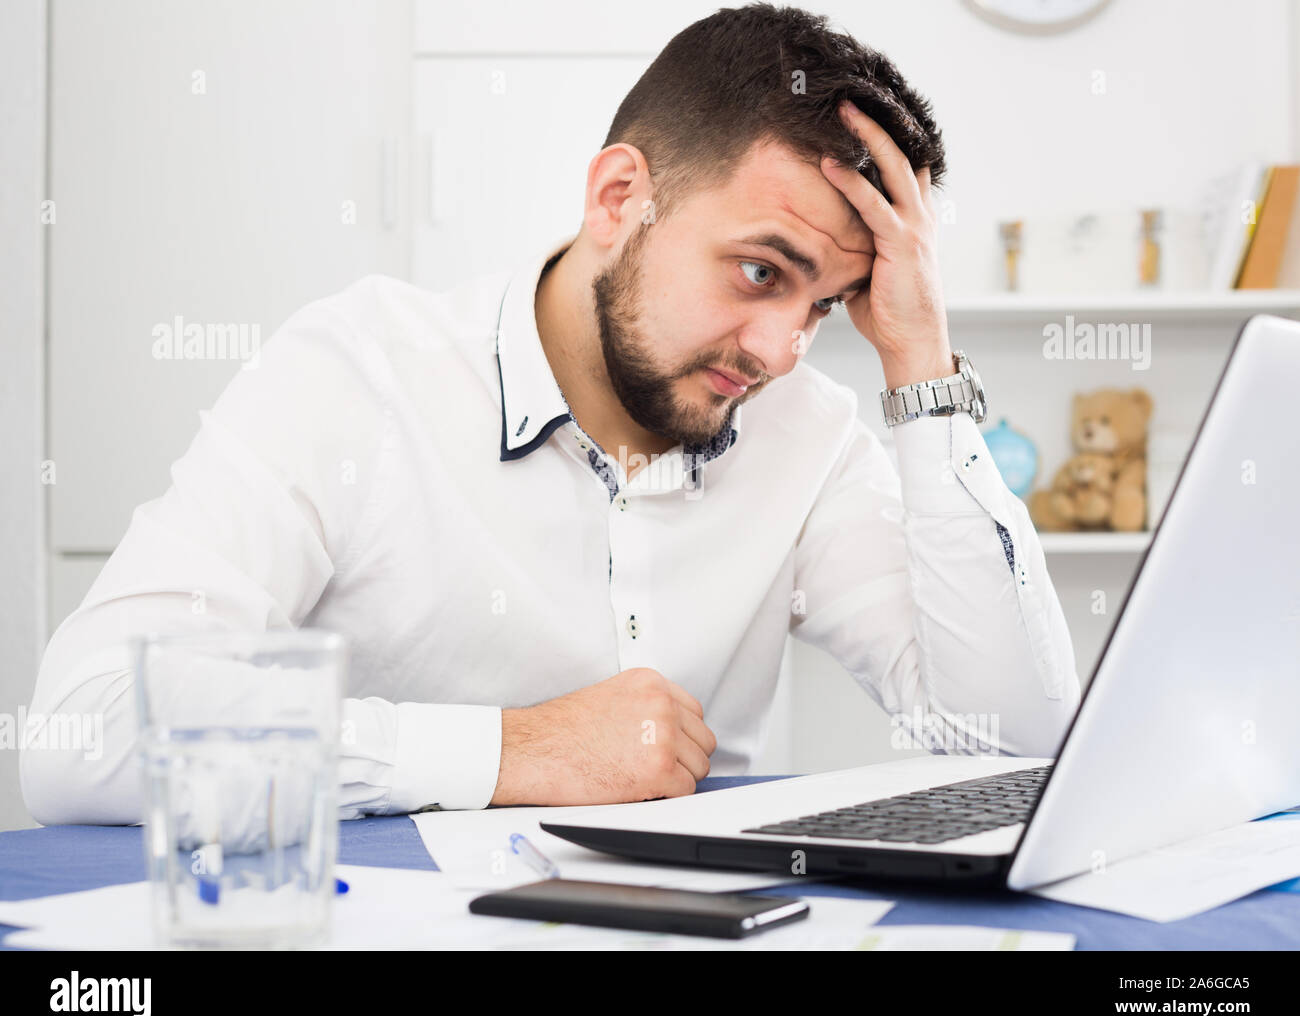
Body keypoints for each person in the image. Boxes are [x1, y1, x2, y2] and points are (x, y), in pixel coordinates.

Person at [22, 3, 1080, 825]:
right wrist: (508, 751)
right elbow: (82, 731)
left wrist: (919, 360)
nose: (780, 350)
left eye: (827, 307)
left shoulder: (809, 436)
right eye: (761, 271)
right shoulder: (358, 375)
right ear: (621, 197)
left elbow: (1014, 748)